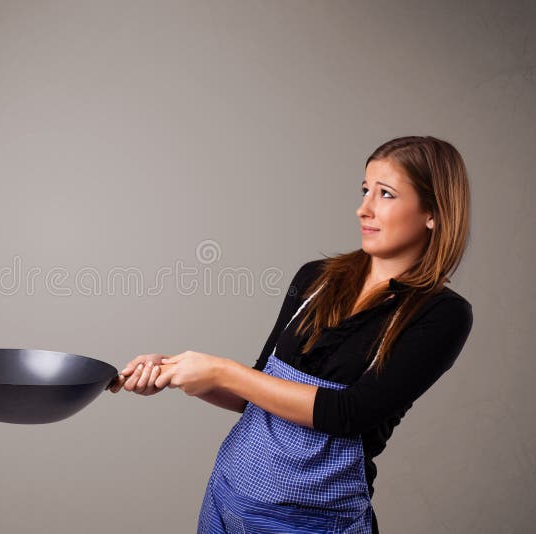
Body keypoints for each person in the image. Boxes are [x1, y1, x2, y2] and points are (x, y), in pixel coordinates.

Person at [108, 135, 474, 534]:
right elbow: (259, 389)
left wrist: (220, 371)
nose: (363, 208)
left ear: (433, 213)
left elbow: (349, 414)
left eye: (385, 194)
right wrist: (175, 372)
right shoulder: (315, 279)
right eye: (365, 190)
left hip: (310, 522)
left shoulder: (441, 315)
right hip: (226, 495)